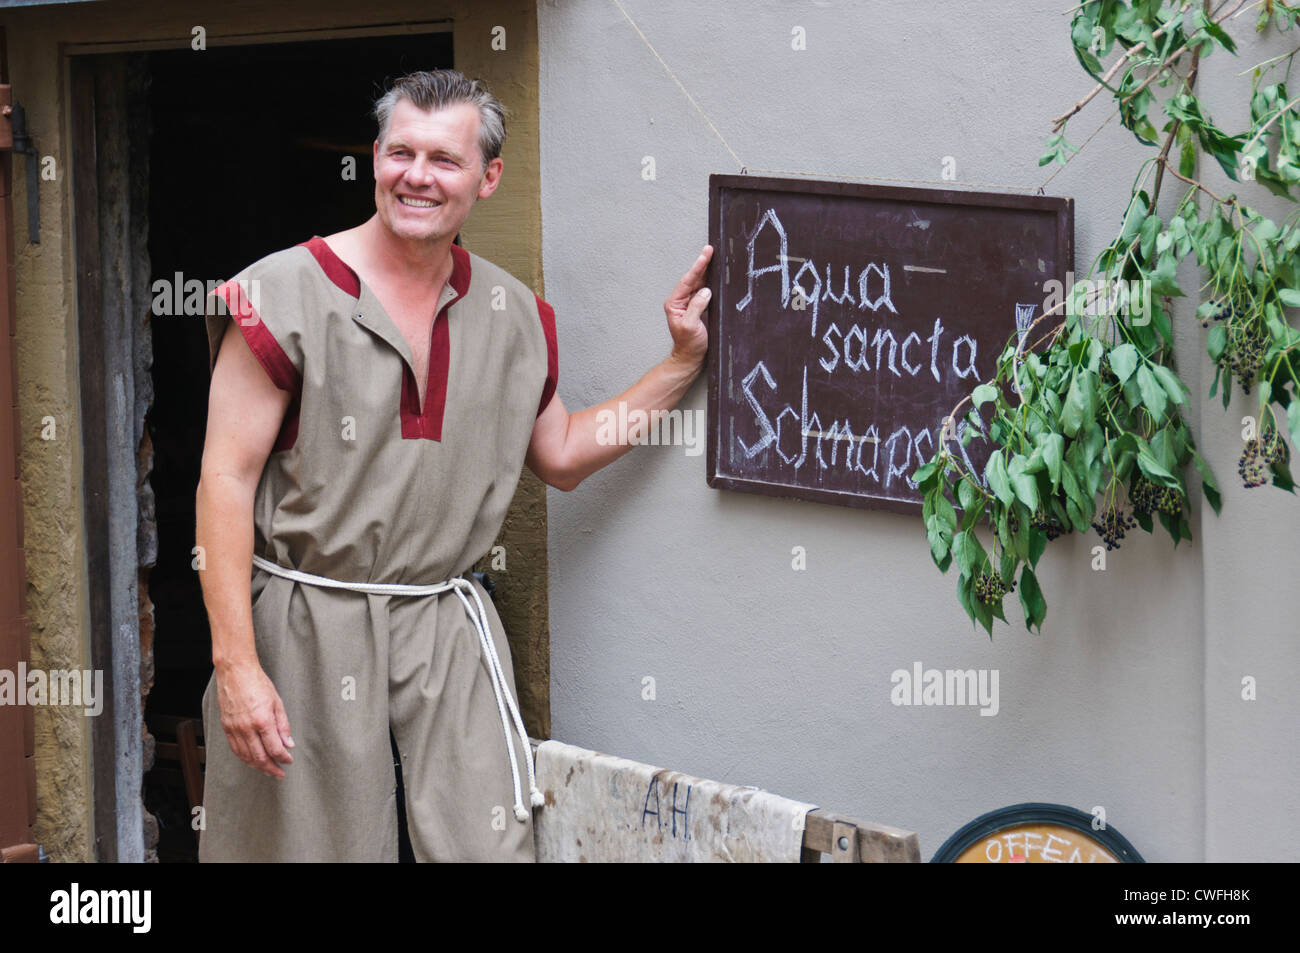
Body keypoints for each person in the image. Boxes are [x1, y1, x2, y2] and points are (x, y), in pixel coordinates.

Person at [195, 69, 712, 862]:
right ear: (374, 158)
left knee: (489, 843)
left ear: (487, 176)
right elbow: (223, 481)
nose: (417, 176)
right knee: (302, 850)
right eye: (400, 152)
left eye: (444, 159)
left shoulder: (512, 314)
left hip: (447, 625)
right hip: (307, 625)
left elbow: (564, 455)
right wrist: (236, 664)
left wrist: (678, 363)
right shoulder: (282, 293)